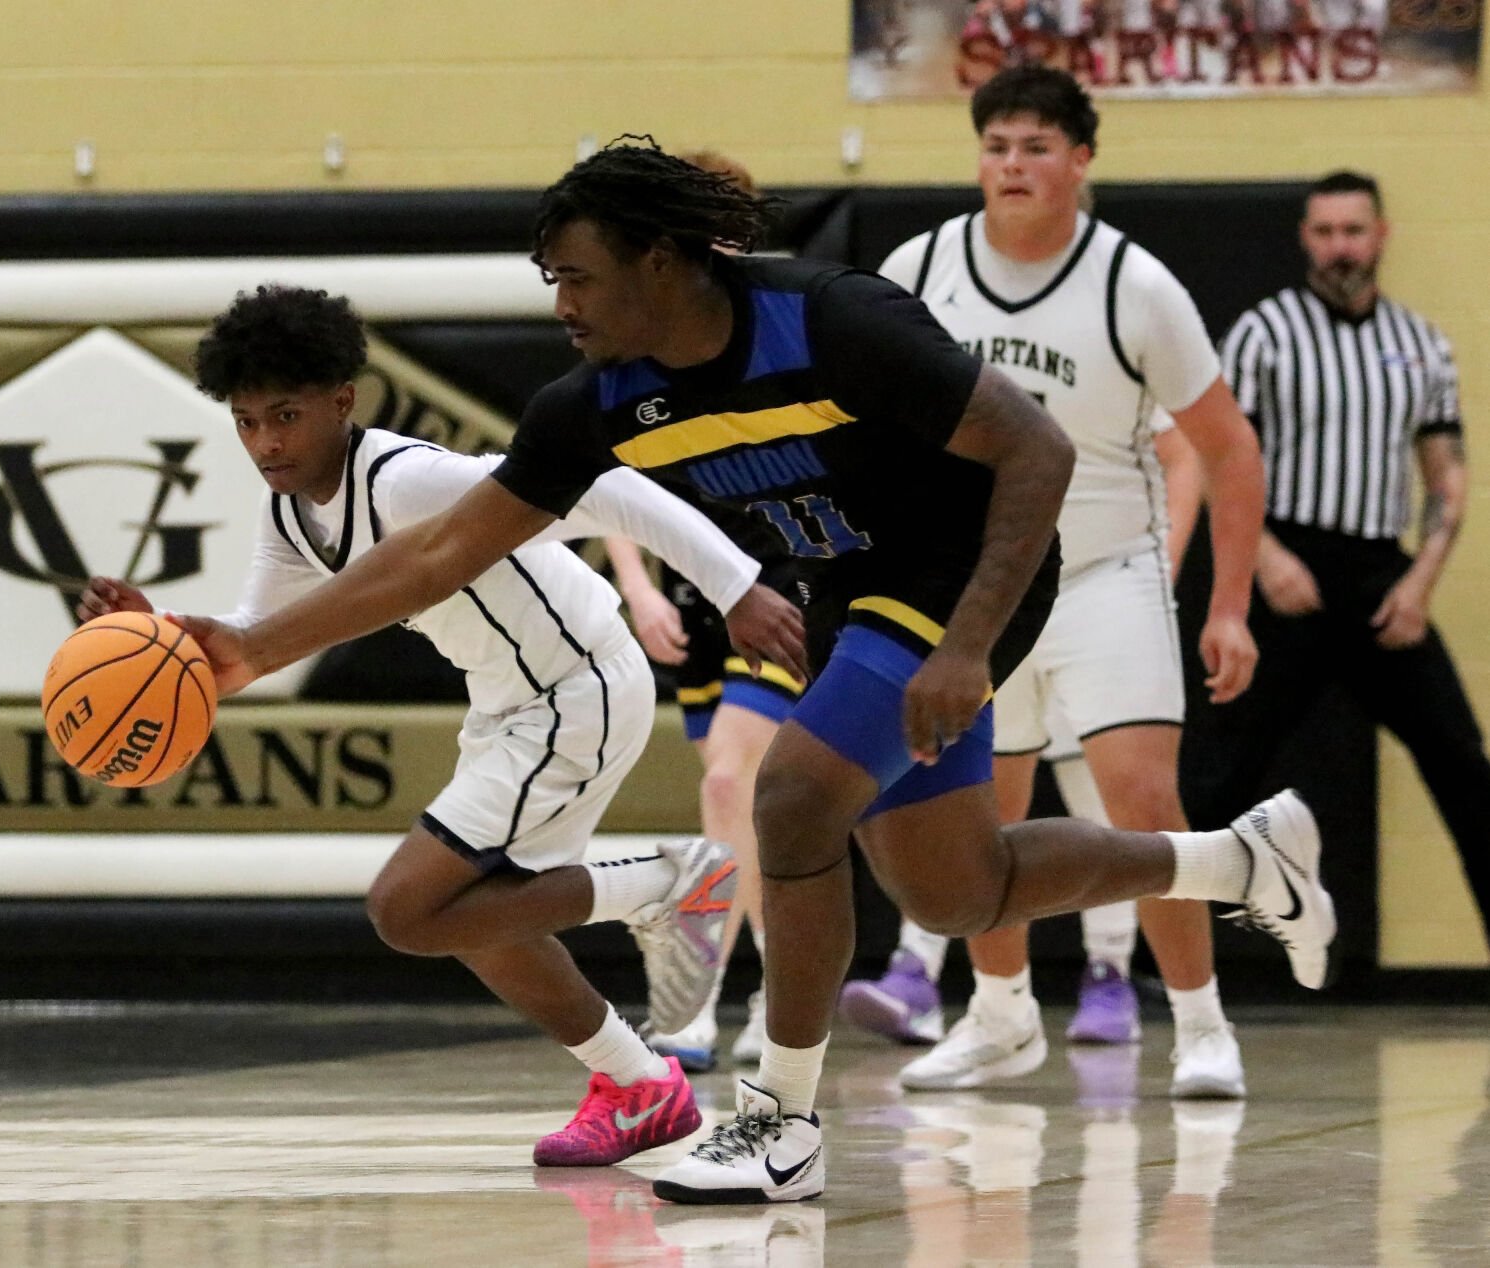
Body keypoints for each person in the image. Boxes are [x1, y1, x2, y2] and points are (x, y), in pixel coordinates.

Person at [167, 142, 1334, 1206]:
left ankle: (779, 1121)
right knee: (954, 891)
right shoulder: (588, 402)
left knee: (786, 797)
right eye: (549, 282)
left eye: (577, 277)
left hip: (964, 570)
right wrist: (246, 651)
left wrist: (968, 644)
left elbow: (1035, 447)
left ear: (662, 262)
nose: (560, 305)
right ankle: (1240, 856)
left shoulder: (831, 318)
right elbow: (435, 553)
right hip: (850, 592)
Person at [75, 283, 803, 1170]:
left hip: (578, 687)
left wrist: (735, 586)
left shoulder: (408, 478)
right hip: (511, 706)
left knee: (407, 906)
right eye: (247, 421)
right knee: (473, 919)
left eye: (287, 415)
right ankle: (638, 1087)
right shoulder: (288, 515)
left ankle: (664, 881)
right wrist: (158, 641)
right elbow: (251, 651)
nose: (266, 442)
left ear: (343, 401)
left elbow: (608, 487)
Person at [837, 67, 1265, 1101]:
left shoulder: (1136, 285)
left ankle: (1201, 1023)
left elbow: (1228, 449)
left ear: (1079, 161)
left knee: (1140, 797)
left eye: (1034, 147)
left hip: (1104, 571)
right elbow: (865, 424)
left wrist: (1227, 605)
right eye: (995, 146)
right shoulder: (919, 266)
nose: (1011, 165)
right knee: (977, 815)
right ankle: (999, 1015)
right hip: (971, 586)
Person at [1188, 169, 1489, 938]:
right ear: (1304, 239)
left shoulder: (1419, 344)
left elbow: (1445, 475)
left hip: (1381, 575)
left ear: (1381, 235)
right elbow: (1224, 458)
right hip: (1285, 564)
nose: (1339, 248)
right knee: (1222, 770)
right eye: (1324, 233)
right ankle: (1171, 970)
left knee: (1461, 760)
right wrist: (1265, 558)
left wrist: (1421, 580)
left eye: (1353, 231)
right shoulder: (1264, 333)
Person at [841, 418, 1202, 1052]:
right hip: (1002, 596)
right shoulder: (949, 334)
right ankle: (924, 974)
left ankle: (1109, 973)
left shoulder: (1112, 343)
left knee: (1106, 797)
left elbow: (1187, 454)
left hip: (1095, 593)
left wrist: (1155, 570)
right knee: (967, 795)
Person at [606, 149, 802, 1073]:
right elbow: (603, 481)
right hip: (691, 598)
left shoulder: (784, 330)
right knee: (745, 810)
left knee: (730, 788)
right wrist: (638, 587)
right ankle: (779, 987)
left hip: (776, 589)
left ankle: (693, 1000)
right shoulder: (635, 347)